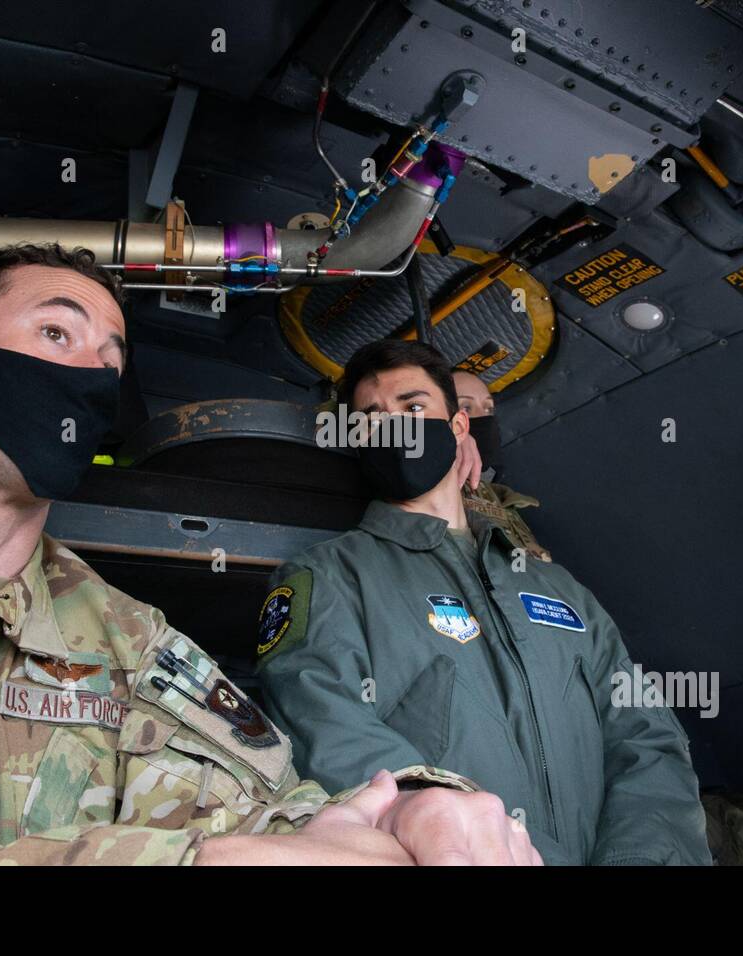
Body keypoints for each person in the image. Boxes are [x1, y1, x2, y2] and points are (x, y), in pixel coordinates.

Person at [0, 245, 540, 866]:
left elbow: (276, 811)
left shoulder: (122, 637)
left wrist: (411, 812)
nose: (91, 376)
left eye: (110, 363)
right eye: (55, 333)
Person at [255, 339, 711, 866]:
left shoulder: (559, 588)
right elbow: (327, 728)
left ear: (458, 428)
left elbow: (646, 738)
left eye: (414, 406)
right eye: (372, 417)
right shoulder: (328, 575)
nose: (395, 426)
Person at [453, 370, 552, 562]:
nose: (484, 417)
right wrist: (442, 438)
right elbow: (380, 428)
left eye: (488, 409)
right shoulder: (423, 483)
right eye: (465, 407)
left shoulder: (503, 500)